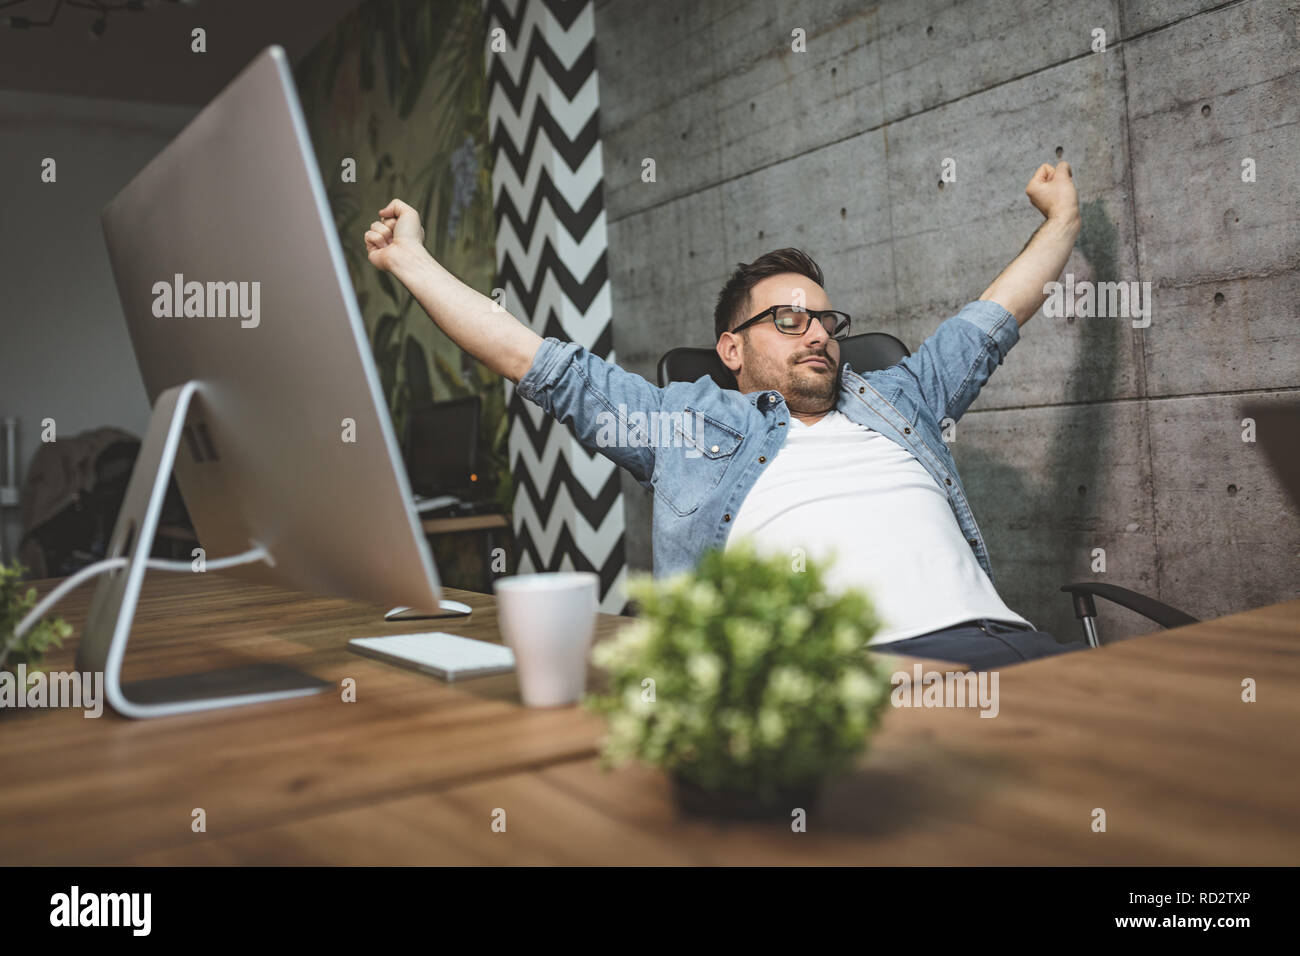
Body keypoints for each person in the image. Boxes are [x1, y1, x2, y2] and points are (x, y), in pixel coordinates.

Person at [364, 162, 1087, 671]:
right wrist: (411, 261)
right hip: (831, 677)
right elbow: (535, 361)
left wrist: (1062, 219)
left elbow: (995, 316)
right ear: (731, 349)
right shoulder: (684, 423)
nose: (817, 333)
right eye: (787, 320)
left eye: (824, 320)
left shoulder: (903, 396)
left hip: (1010, 650)